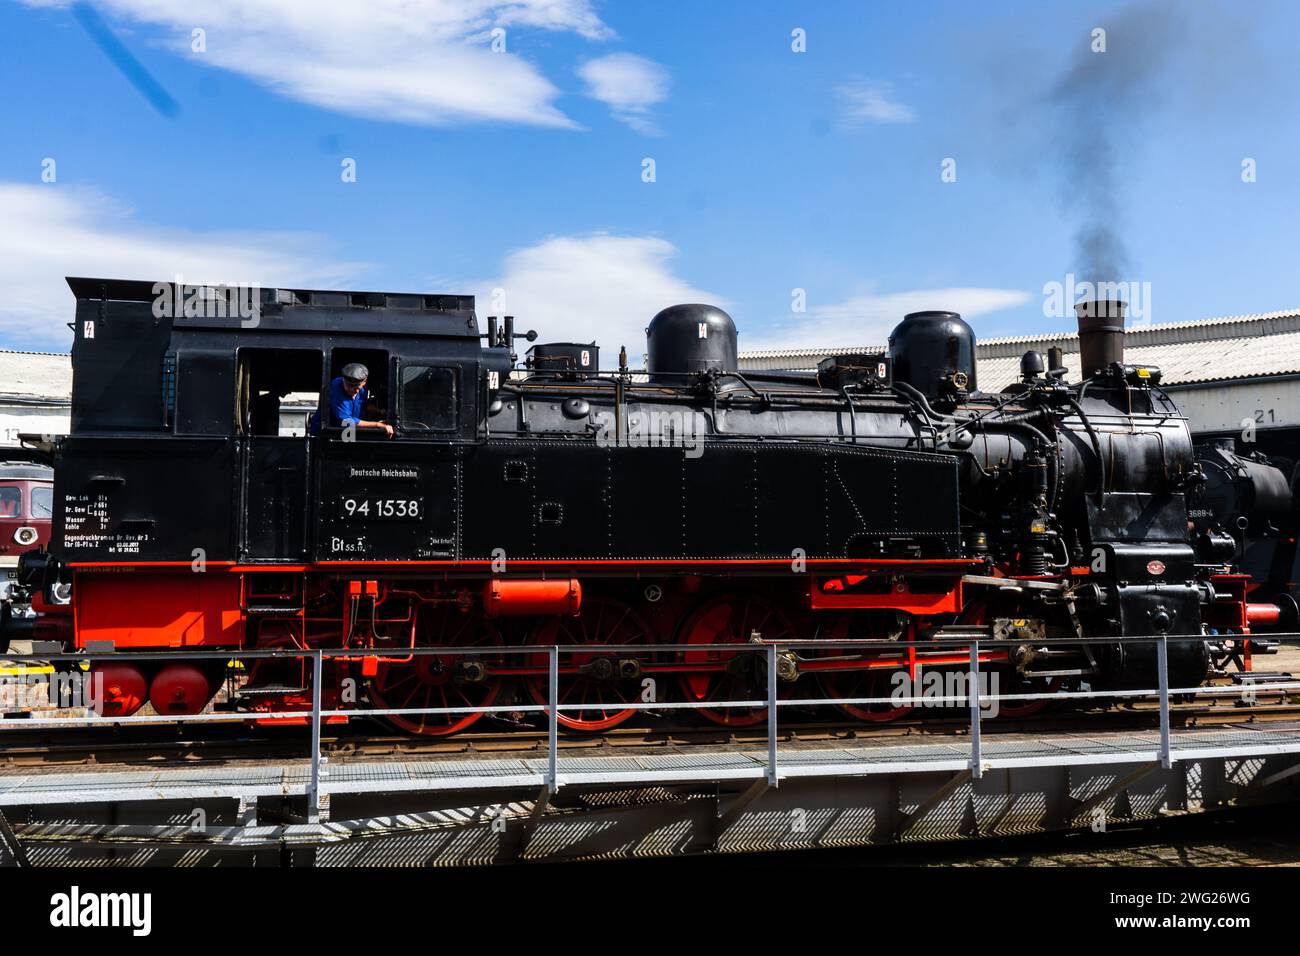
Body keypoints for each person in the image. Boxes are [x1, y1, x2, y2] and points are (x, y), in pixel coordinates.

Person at [308, 363, 394, 437]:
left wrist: (381, 413)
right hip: (327, 434)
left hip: (349, 433)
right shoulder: (335, 388)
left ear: (364, 382)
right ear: (343, 379)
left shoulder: (363, 389)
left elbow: (364, 405)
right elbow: (347, 421)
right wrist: (377, 425)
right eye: (348, 385)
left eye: (356, 387)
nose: (351, 390)